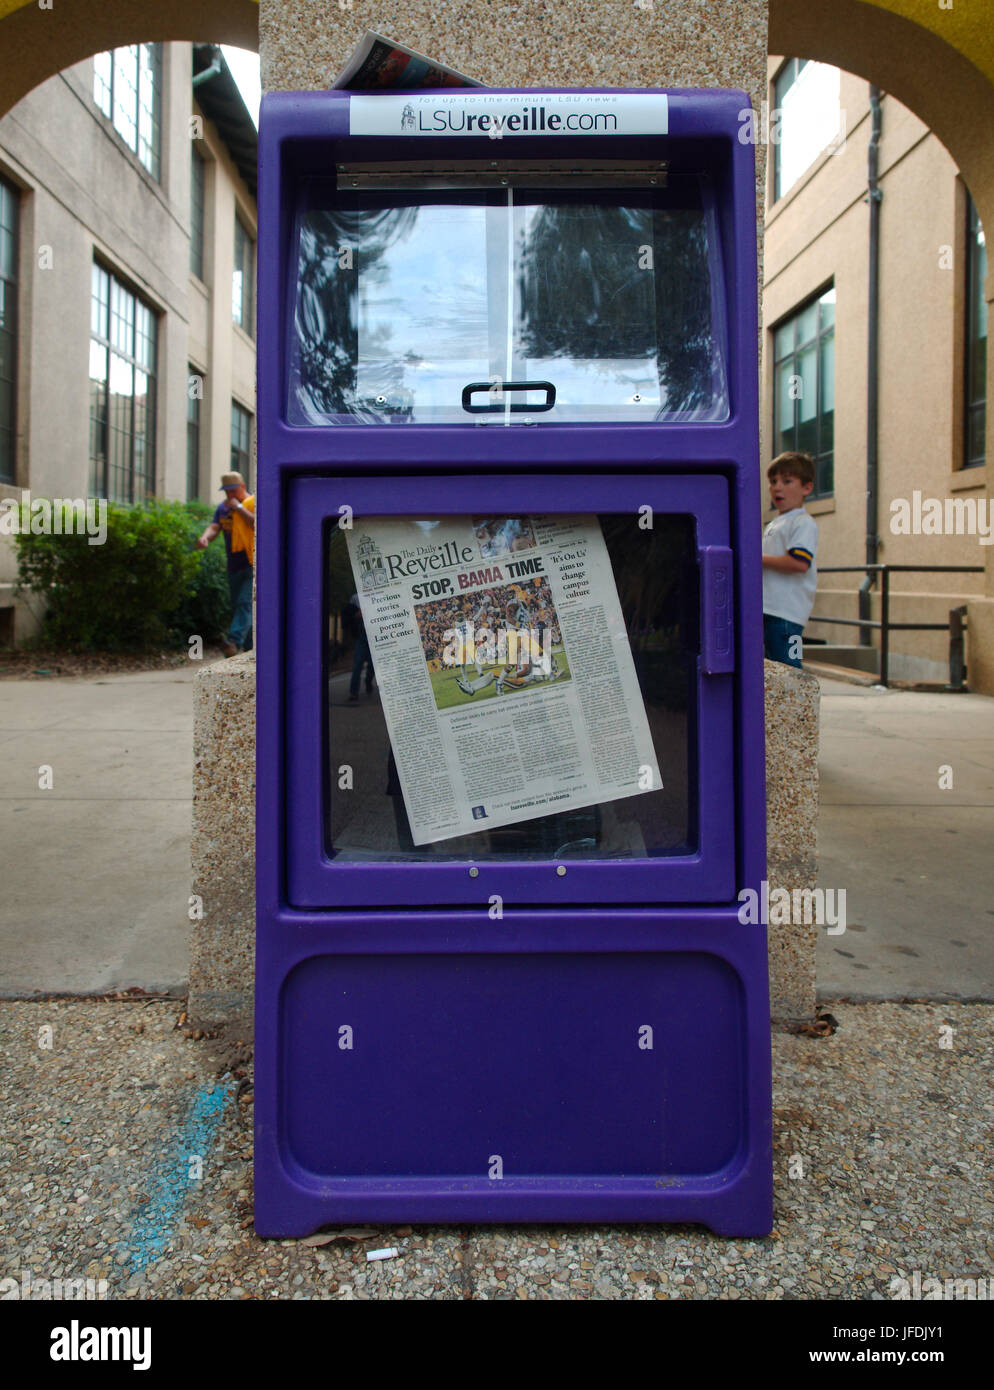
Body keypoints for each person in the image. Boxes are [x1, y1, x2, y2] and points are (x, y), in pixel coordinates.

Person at [761, 451, 818, 669]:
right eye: (773, 481)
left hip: (787, 615)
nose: (777, 487)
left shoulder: (803, 523)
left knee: (789, 670)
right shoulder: (776, 523)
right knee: (774, 671)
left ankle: (796, 705)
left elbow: (799, 563)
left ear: (807, 488)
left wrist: (758, 559)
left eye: (787, 481)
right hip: (770, 608)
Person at [197, 471, 255, 657]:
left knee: (245, 604)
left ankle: (233, 641)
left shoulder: (252, 503)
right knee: (240, 605)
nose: (230, 495)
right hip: (234, 565)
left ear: (243, 487)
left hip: (253, 563)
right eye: (227, 491)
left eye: (233, 490)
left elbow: (257, 523)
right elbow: (215, 527)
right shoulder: (223, 509)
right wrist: (205, 538)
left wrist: (238, 507)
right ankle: (250, 647)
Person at [344, 592, 374, 701]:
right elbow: (348, 613)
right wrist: (356, 615)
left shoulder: (376, 594)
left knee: (373, 664)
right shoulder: (355, 598)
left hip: (373, 636)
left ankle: (368, 680)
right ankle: (353, 693)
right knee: (357, 665)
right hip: (361, 636)